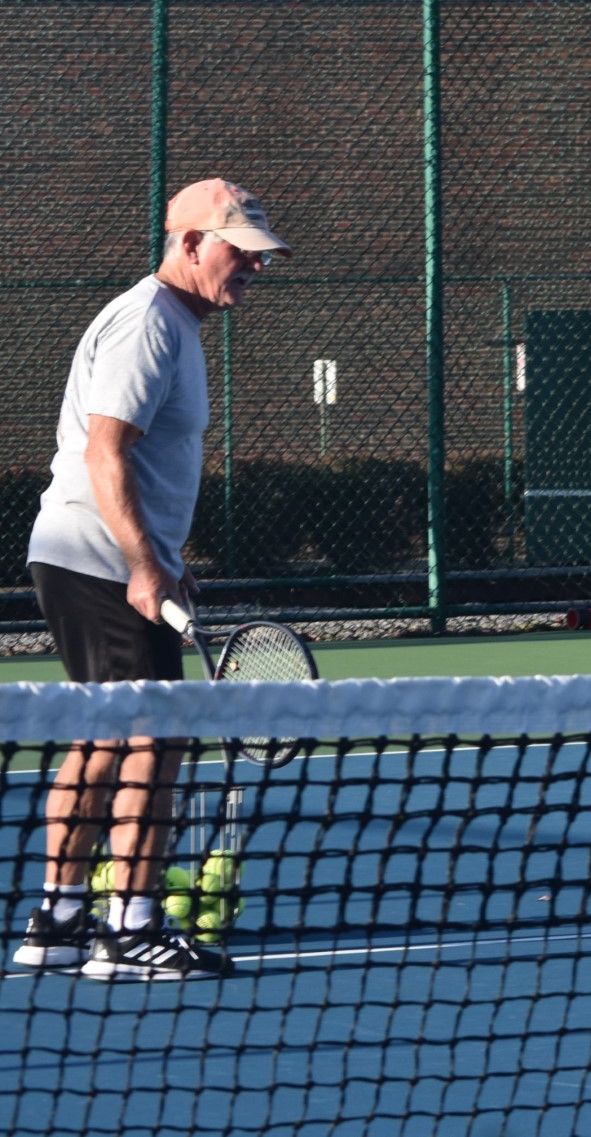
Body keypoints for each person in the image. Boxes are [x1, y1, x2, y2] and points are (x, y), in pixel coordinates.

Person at [13, 178, 292, 981]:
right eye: (240, 251)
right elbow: (107, 450)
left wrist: (164, 556)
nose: (253, 268)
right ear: (191, 243)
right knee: (156, 738)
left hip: (88, 555)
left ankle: (60, 919)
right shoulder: (150, 323)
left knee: (107, 737)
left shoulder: (173, 324)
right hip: (94, 557)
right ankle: (130, 928)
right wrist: (143, 561)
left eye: (259, 256)